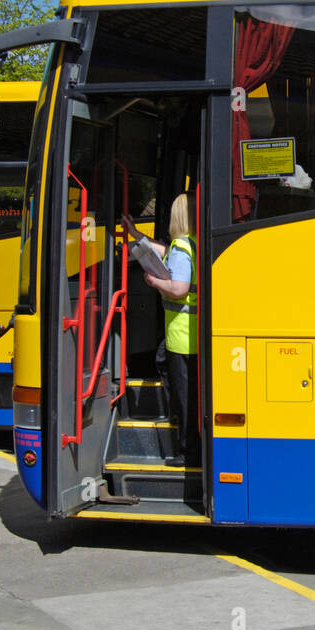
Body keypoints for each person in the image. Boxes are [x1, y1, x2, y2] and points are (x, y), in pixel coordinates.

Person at [124, 195, 199, 466]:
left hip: (181, 337)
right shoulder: (193, 243)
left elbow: (178, 288)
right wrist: (135, 234)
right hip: (191, 335)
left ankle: (186, 453)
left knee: (183, 396)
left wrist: (153, 280)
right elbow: (164, 251)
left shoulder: (181, 247)